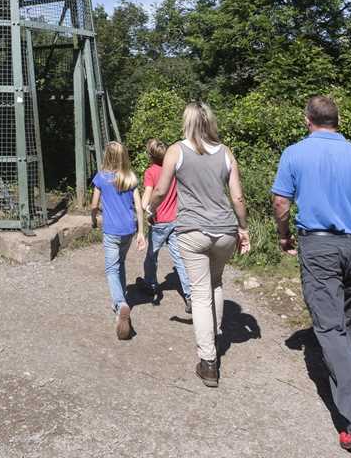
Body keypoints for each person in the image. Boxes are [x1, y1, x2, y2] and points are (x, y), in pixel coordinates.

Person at [272, 95, 351, 454]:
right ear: (336, 121)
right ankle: (347, 376)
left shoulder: (295, 153)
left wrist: (283, 234)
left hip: (320, 246)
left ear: (308, 119)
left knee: (329, 326)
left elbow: (280, 202)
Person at [149, 102, 250, 388]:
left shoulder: (176, 151)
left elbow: (160, 189)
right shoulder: (226, 152)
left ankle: (208, 362)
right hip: (225, 231)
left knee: (201, 292)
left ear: (187, 122)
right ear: (210, 122)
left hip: (192, 231)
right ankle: (214, 334)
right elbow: (238, 199)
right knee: (216, 284)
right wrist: (243, 229)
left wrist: (149, 210)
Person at [90, 141, 147, 340]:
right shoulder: (130, 177)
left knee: (111, 268)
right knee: (120, 262)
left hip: (112, 231)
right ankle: (121, 297)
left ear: (107, 156)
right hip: (128, 231)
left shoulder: (101, 178)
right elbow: (139, 207)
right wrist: (141, 232)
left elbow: (94, 204)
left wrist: (93, 219)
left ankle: (120, 303)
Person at [137, 138, 192, 313]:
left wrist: (145, 209)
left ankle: (151, 284)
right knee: (179, 259)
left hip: (159, 223)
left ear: (150, 155)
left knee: (151, 255)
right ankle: (190, 295)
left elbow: (147, 194)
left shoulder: (151, 172)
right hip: (176, 221)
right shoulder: (175, 170)